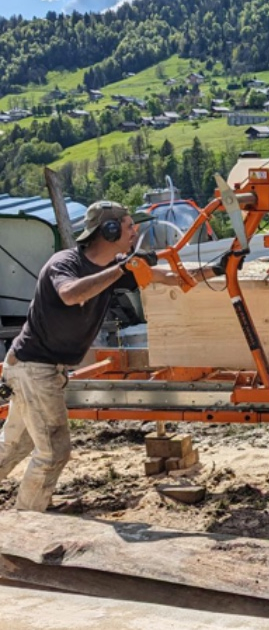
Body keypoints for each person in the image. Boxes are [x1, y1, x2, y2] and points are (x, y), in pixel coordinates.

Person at [0, 200, 201, 512]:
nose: (135, 232)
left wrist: (220, 267)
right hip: (32, 368)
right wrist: (120, 268)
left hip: (35, 368)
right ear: (108, 230)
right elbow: (71, 294)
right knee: (53, 451)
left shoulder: (111, 268)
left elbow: (163, 275)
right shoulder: (64, 263)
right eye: (128, 226)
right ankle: (26, 525)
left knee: (16, 445)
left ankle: (22, 521)